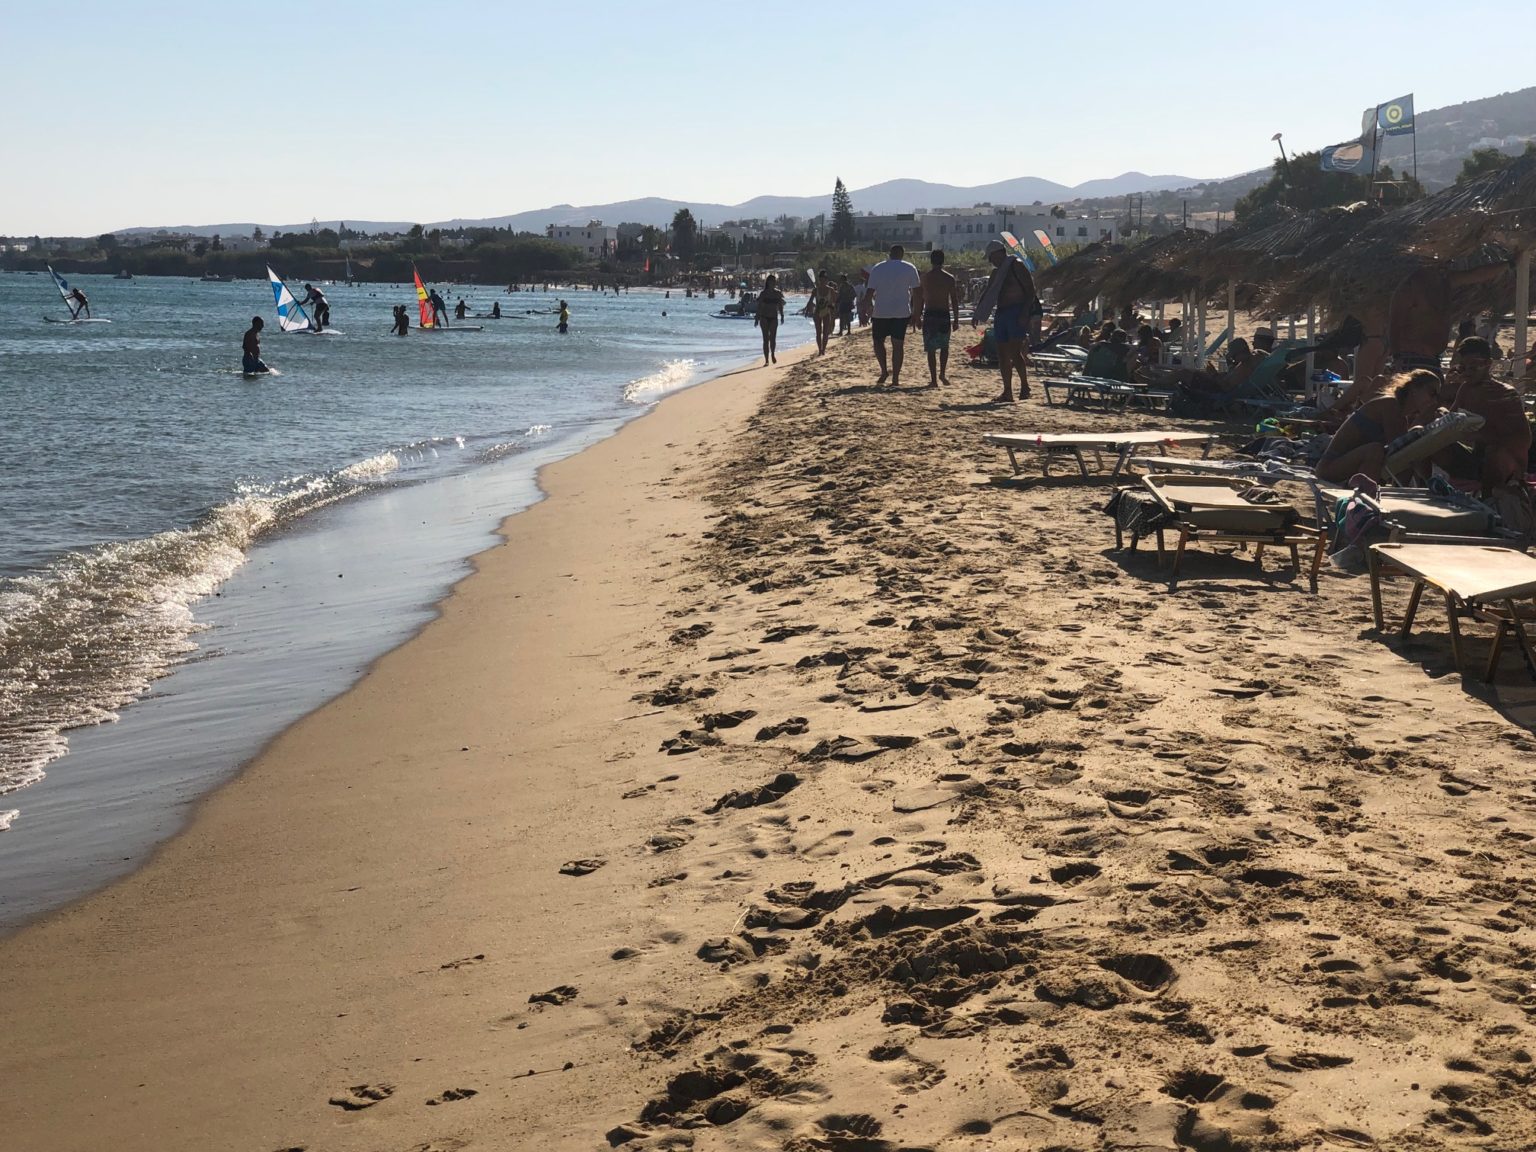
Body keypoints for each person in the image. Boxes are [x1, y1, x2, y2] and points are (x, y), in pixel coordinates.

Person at [1316, 369, 1441, 484]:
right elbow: (1399, 449)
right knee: (1375, 450)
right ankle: (1367, 494)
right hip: (1330, 468)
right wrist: (1421, 422)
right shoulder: (1390, 405)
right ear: (1415, 389)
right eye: (1432, 393)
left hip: (1349, 466)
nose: (1434, 401)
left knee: (1410, 451)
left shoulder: (1400, 414)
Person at [1443, 337, 1531, 492]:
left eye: (1473, 367)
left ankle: (1489, 496)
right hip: (1477, 457)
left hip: (1502, 461)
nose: (1468, 373)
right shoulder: (1465, 389)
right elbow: (1449, 420)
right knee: (1426, 441)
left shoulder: (1505, 394)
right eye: (1463, 368)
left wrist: (1476, 435)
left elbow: (1519, 440)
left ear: (1488, 364)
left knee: (1494, 452)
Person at [971, 238, 1038, 402]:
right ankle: (1007, 391)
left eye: (992, 257)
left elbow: (1030, 291)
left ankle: (1024, 386)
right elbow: (988, 293)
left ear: (999, 253)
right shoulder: (996, 273)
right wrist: (978, 314)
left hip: (1016, 312)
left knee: (1015, 353)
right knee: (1002, 354)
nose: (991, 261)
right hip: (1002, 313)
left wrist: (1024, 313)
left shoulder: (1017, 266)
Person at [866, 244, 921, 386]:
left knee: (878, 342)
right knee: (898, 345)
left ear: (889, 254)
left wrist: (866, 307)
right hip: (901, 312)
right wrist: (916, 313)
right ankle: (895, 377)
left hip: (881, 312)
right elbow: (917, 293)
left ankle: (884, 371)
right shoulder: (909, 268)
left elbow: (870, 291)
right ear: (902, 254)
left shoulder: (878, 268)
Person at [912, 249, 960, 388]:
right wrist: (956, 319)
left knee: (931, 348)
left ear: (931, 261)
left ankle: (934, 379)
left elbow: (919, 299)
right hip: (944, 314)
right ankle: (942, 374)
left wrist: (917, 316)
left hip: (930, 314)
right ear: (943, 261)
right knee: (944, 346)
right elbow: (954, 300)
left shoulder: (925, 278)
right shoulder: (949, 278)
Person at [754, 274, 786, 365]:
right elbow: (759, 307)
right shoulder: (763, 294)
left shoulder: (777, 293)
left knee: (773, 338)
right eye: (771, 281)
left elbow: (780, 305)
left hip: (774, 317)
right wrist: (757, 318)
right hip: (764, 317)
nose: (773, 283)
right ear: (767, 282)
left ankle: (772, 354)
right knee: (765, 339)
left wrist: (782, 315)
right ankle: (767, 360)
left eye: (774, 281)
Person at [812, 270, 838, 355]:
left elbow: (834, 302)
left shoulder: (831, 290)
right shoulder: (815, 290)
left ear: (827, 280)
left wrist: (832, 309)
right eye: (821, 279)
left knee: (826, 332)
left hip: (827, 312)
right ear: (819, 280)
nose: (823, 281)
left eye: (824, 279)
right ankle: (820, 349)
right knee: (818, 332)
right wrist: (808, 307)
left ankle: (824, 350)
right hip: (817, 313)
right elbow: (810, 301)